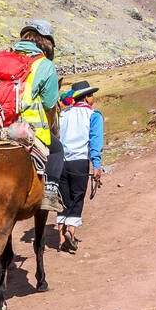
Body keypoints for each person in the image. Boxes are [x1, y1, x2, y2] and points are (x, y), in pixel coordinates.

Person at [0, 19, 64, 212]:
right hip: (22, 126)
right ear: (47, 42)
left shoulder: (1, 58)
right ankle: (50, 193)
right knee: (57, 150)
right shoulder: (45, 64)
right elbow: (50, 103)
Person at [54, 80, 103, 253]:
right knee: (77, 198)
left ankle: (60, 239)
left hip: (60, 162)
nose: (93, 98)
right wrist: (96, 166)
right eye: (92, 95)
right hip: (80, 161)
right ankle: (70, 232)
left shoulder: (62, 115)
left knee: (63, 199)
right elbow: (95, 143)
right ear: (87, 98)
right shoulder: (94, 115)